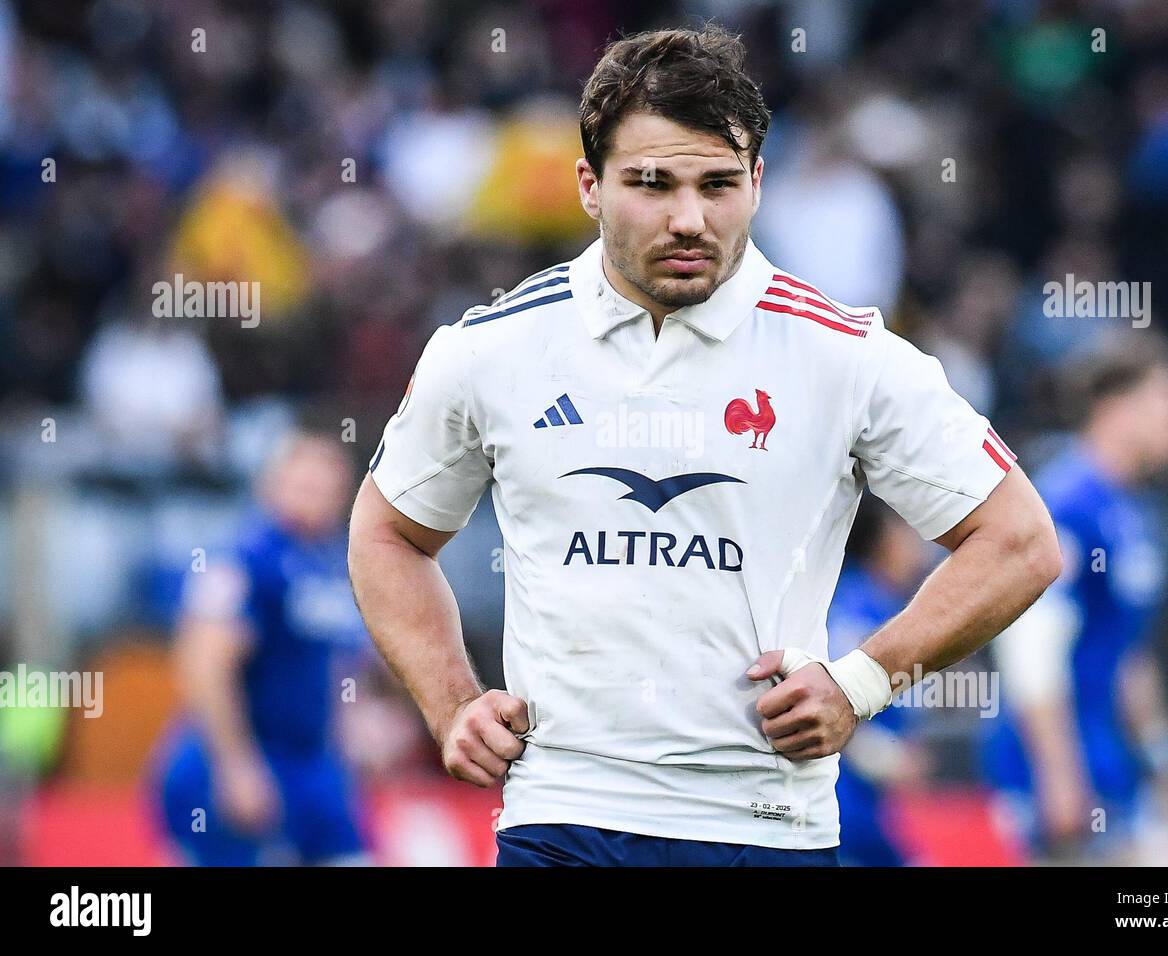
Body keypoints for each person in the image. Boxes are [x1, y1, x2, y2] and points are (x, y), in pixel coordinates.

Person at [348, 25, 1061, 868]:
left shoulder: (846, 354)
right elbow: (388, 533)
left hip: (764, 827)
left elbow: (1020, 540)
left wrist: (862, 681)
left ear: (758, 183)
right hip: (561, 818)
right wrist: (450, 702)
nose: (689, 218)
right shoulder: (489, 350)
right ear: (589, 185)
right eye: (651, 183)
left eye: (718, 184)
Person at [982, 336, 1168, 863]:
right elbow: (1031, 647)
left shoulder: (1135, 510)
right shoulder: (1067, 500)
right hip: (1057, 770)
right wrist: (1058, 775)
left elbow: (1128, 650)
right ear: (1118, 408)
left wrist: (1165, 753)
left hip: (1107, 763)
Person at [153, 428, 372, 866]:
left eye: (328, 489)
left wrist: (358, 734)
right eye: (304, 485)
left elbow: (339, 667)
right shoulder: (242, 558)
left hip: (310, 766)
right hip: (239, 761)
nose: (316, 498)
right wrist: (235, 765)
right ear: (270, 485)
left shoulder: (335, 563)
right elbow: (205, 665)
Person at [829, 501, 934, 866]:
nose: (920, 546)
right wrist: (886, 758)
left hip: (874, 809)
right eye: (911, 533)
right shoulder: (855, 608)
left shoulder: (890, 607)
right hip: (842, 803)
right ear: (886, 539)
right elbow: (831, 695)